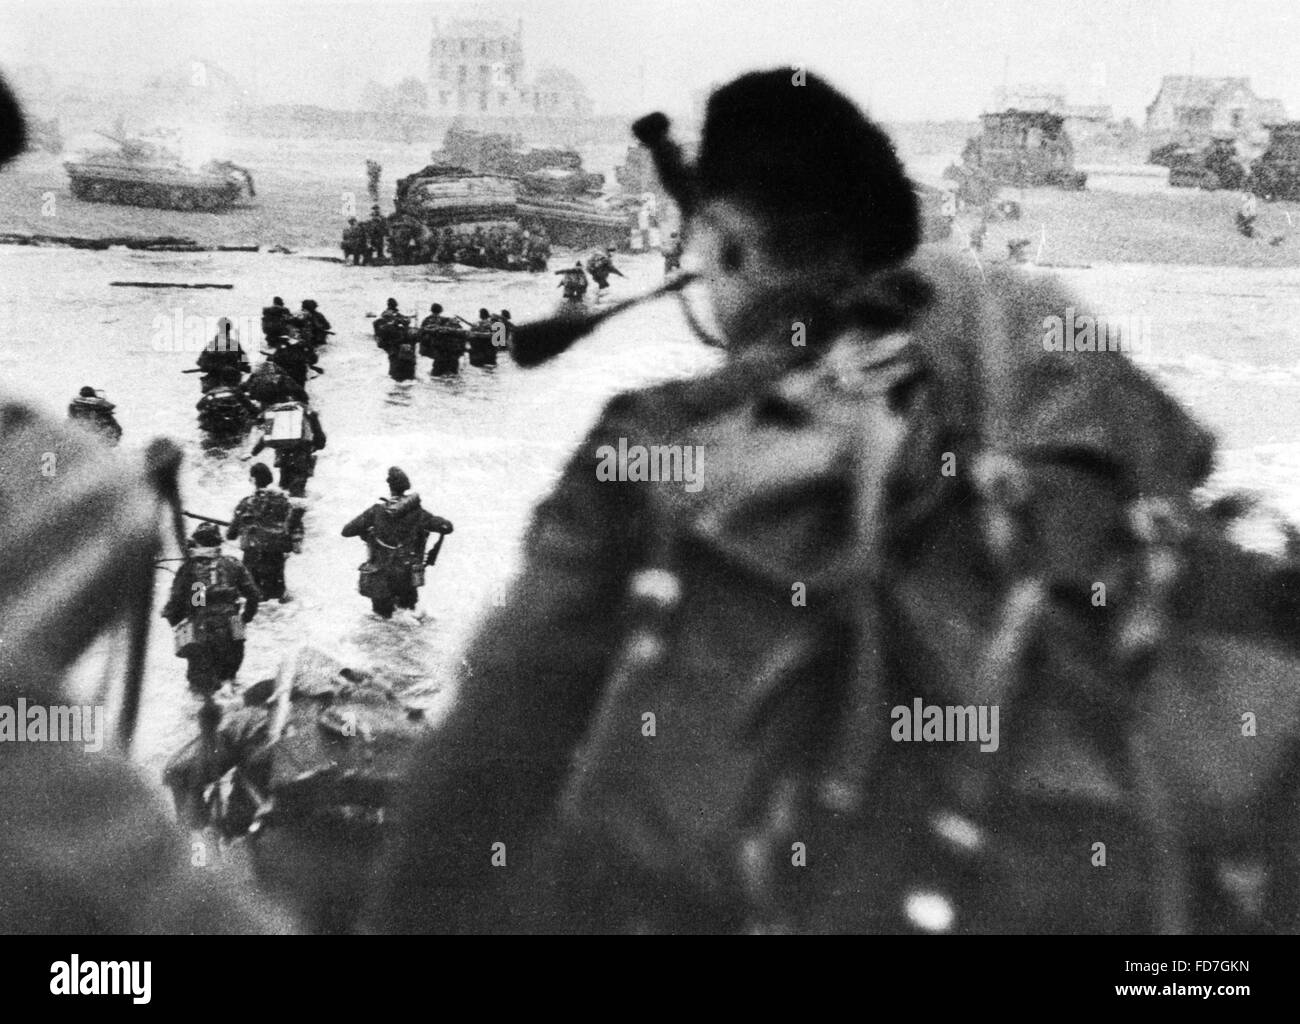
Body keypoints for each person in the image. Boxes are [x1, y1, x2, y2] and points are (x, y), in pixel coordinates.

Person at [368, 69, 1300, 938]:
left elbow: (495, 745)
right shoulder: (1045, 344)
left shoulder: (666, 434)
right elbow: (1187, 478)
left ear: (727, 239)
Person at [161, 522, 261, 697]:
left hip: (202, 629)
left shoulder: (189, 569)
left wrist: (174, 619)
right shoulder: (233, 563)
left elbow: (176, 606)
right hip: (233, 625)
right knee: (229, 679)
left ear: (197, 543)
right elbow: (253, 595)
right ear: (218, 543)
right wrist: (244, 619)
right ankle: (228, 685)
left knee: (200, 689)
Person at [341, 467, 453, 620]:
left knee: (381, 622)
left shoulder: (376, 511)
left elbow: (347, 531)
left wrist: (369, 534)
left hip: (380, 577)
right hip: (406, 577)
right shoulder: (418, 513)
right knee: (408, 620)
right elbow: (446, 527)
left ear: (390, 488)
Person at [226, 461, 303, 602]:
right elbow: (293, 523)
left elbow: (231, 535)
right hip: (275, 558)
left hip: (252, 558)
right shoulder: (284, 502)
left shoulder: (246, 503)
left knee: (252, 597)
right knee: (277, 595)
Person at [249, 404, 326, 498]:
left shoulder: (274, 412)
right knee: (297, 491)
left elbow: (266, 437)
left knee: (284, 488)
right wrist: (313, 446)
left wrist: (253, 452)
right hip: (302, 459)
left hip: (283, 458)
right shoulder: (307, 413)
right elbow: (320, 441)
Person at [196, 365, 260, 438]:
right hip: (233, 424)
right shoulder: (237, 392)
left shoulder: (211, 393)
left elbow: (199, 406)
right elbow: (251, 408)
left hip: (214, 424)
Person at [197, 318, 251, 391]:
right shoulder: (234, 344)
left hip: (218, 380)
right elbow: (245, 361)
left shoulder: (212, 345)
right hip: (231, 379)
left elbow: (200, 362)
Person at [419, 303, 464, 377]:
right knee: (453, 374)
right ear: (441, 311)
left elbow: (422, 334)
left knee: (437, 374)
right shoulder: (446, 320)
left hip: (438, 350)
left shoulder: (427, 320)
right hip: (450, 351)